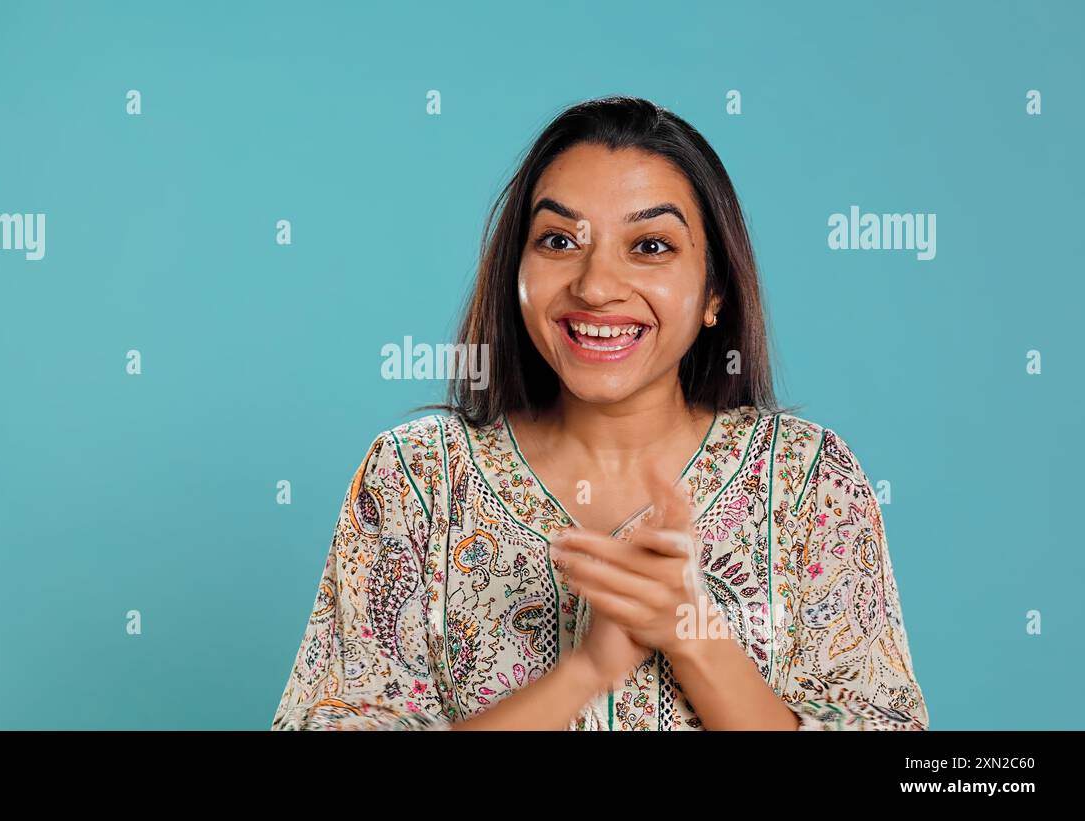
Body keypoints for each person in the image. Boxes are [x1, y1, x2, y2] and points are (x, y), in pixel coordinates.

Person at [272, 96, 927, 731]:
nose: (595, 286)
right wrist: (585, 670)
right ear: (516, 271)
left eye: (650, 246)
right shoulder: (418, 478)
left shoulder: (808, 479)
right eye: (558, 239)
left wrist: (691, 632)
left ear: (714, 291)